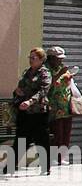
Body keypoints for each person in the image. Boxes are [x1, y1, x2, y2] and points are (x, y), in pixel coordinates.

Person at [10, 47, 52, 175]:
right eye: (30, 57)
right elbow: (21, 87)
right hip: (25, 111)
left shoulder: (45, 74)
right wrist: (18, 92)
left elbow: (43, 91)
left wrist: (30, 101)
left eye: (34, 58)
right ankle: (11, 165)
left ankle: (46, 166)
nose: (31, 60)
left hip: (38, 112)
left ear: (41, 60)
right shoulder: (27, 73)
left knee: (42, 140)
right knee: (21, 139)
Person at [44, 46, 75, 167]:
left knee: (66, 132)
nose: (60, 61)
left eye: (61, 59)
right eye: (58, 59)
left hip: (65, 105)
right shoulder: (45, 70)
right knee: (56, 133)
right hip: (53, 106)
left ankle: (62, 157)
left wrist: (69, 77)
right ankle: (52, 156)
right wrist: (60, 74)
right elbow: (48, 85)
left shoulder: (62, 68)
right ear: (51, 58)